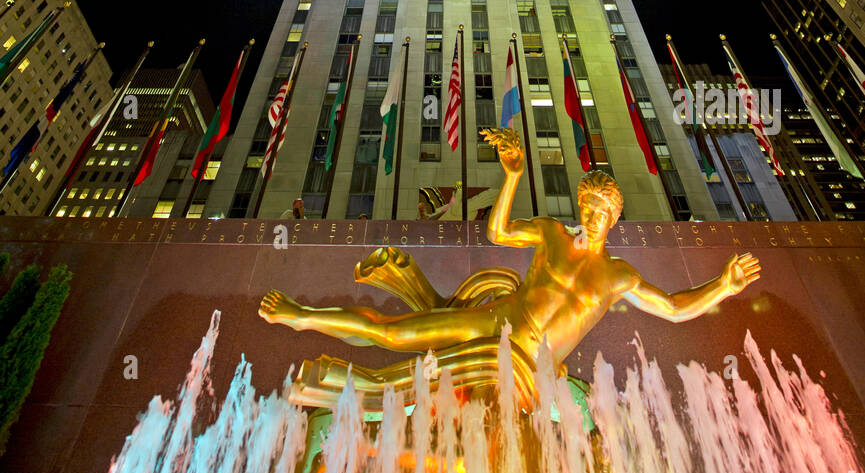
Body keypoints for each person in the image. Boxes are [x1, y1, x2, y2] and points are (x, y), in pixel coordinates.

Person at [259, 126, 761, 374]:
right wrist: (514, 175)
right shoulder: (551, 233)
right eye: (588, 206)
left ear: (614, 218)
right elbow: (497, 233)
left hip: (532, 361)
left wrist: (724, 284)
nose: (593, 216)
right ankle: (302, 316)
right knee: (390, 334)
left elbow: (673, 308)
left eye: (603, 211)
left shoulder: (619, 276)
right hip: (496, 323)